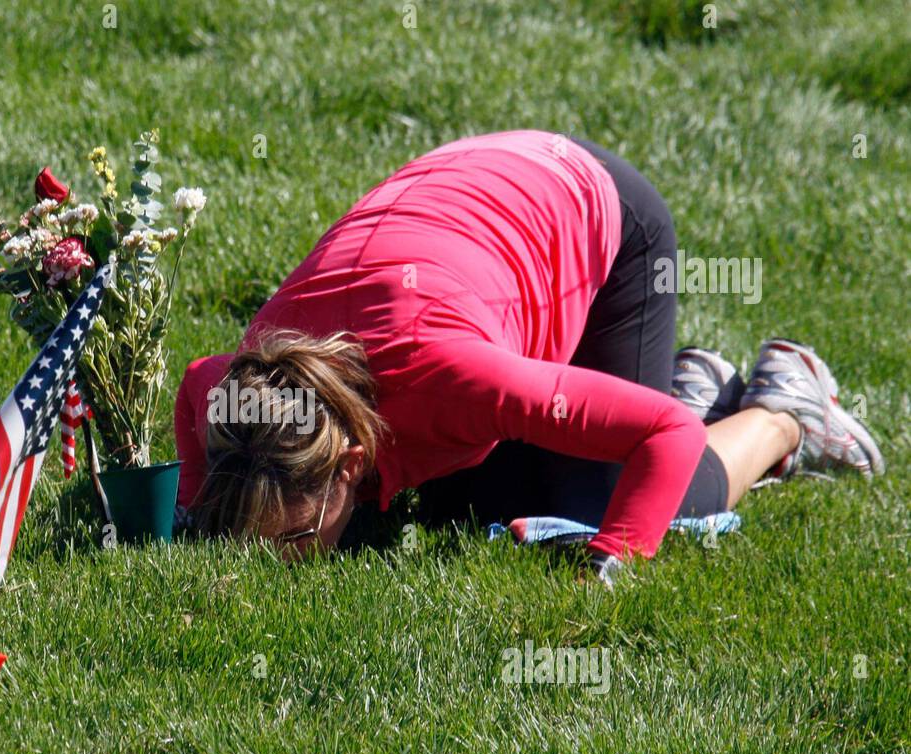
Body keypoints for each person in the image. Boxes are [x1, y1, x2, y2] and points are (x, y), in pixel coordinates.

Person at [173, 131, 883, 577]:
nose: (265, 567)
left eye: (291, 539)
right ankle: (691, 385)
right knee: (479, 508)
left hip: (597, 211)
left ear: (351, 462)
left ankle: (785, 408)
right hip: (468, 191)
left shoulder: (449, 377)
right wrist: (189, 504)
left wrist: (613, 564)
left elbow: (659, 437)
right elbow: (192, 384)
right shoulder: (247, 389)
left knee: (594, 504)